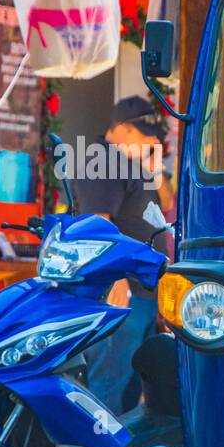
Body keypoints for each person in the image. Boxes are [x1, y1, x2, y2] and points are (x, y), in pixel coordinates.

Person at [74, 96, 171, 416]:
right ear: (121, 130)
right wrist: (115, 278)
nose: (152, 140)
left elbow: (166, 207)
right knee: (109, 390)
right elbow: (98, 224)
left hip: (141, 293)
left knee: (129, 392)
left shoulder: (133, 165)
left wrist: (155, 170)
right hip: (119, 291)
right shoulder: (101, 159)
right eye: (144, 133)